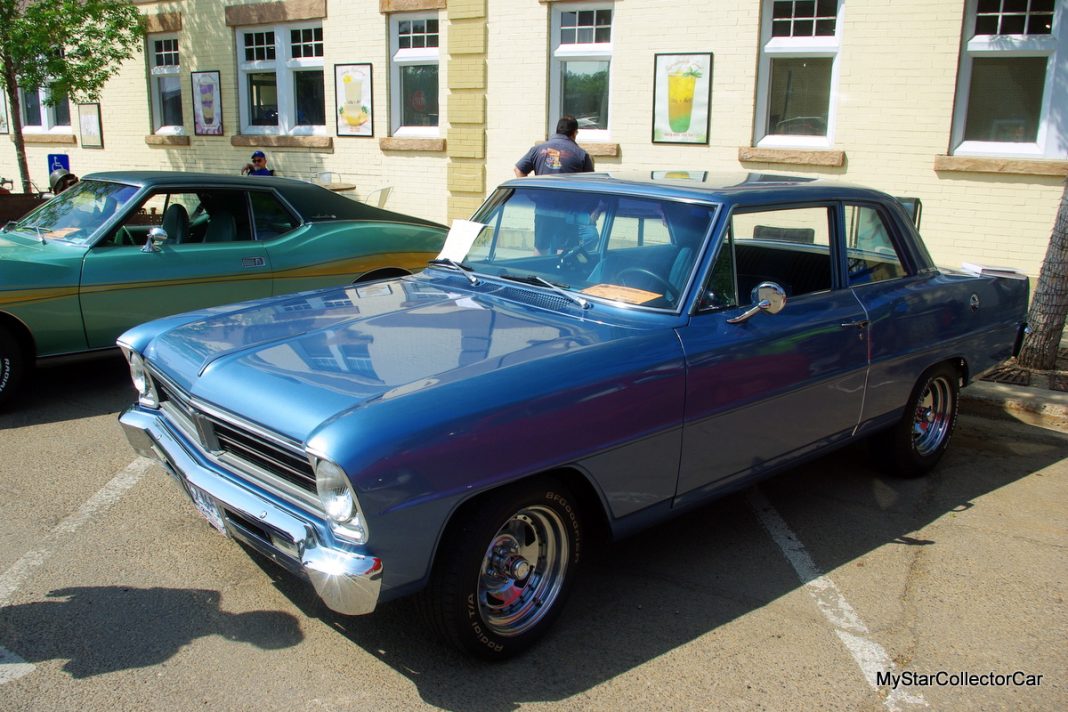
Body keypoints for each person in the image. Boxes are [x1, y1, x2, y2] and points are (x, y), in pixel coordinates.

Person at [514, 116, 594, 177]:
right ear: (574, 133)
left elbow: (518, 170)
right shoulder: (581, 155)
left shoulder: (536, 150)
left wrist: (529, 193)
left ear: (557, 131)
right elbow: (590, 181)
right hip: (569, 198)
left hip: (542, 198)